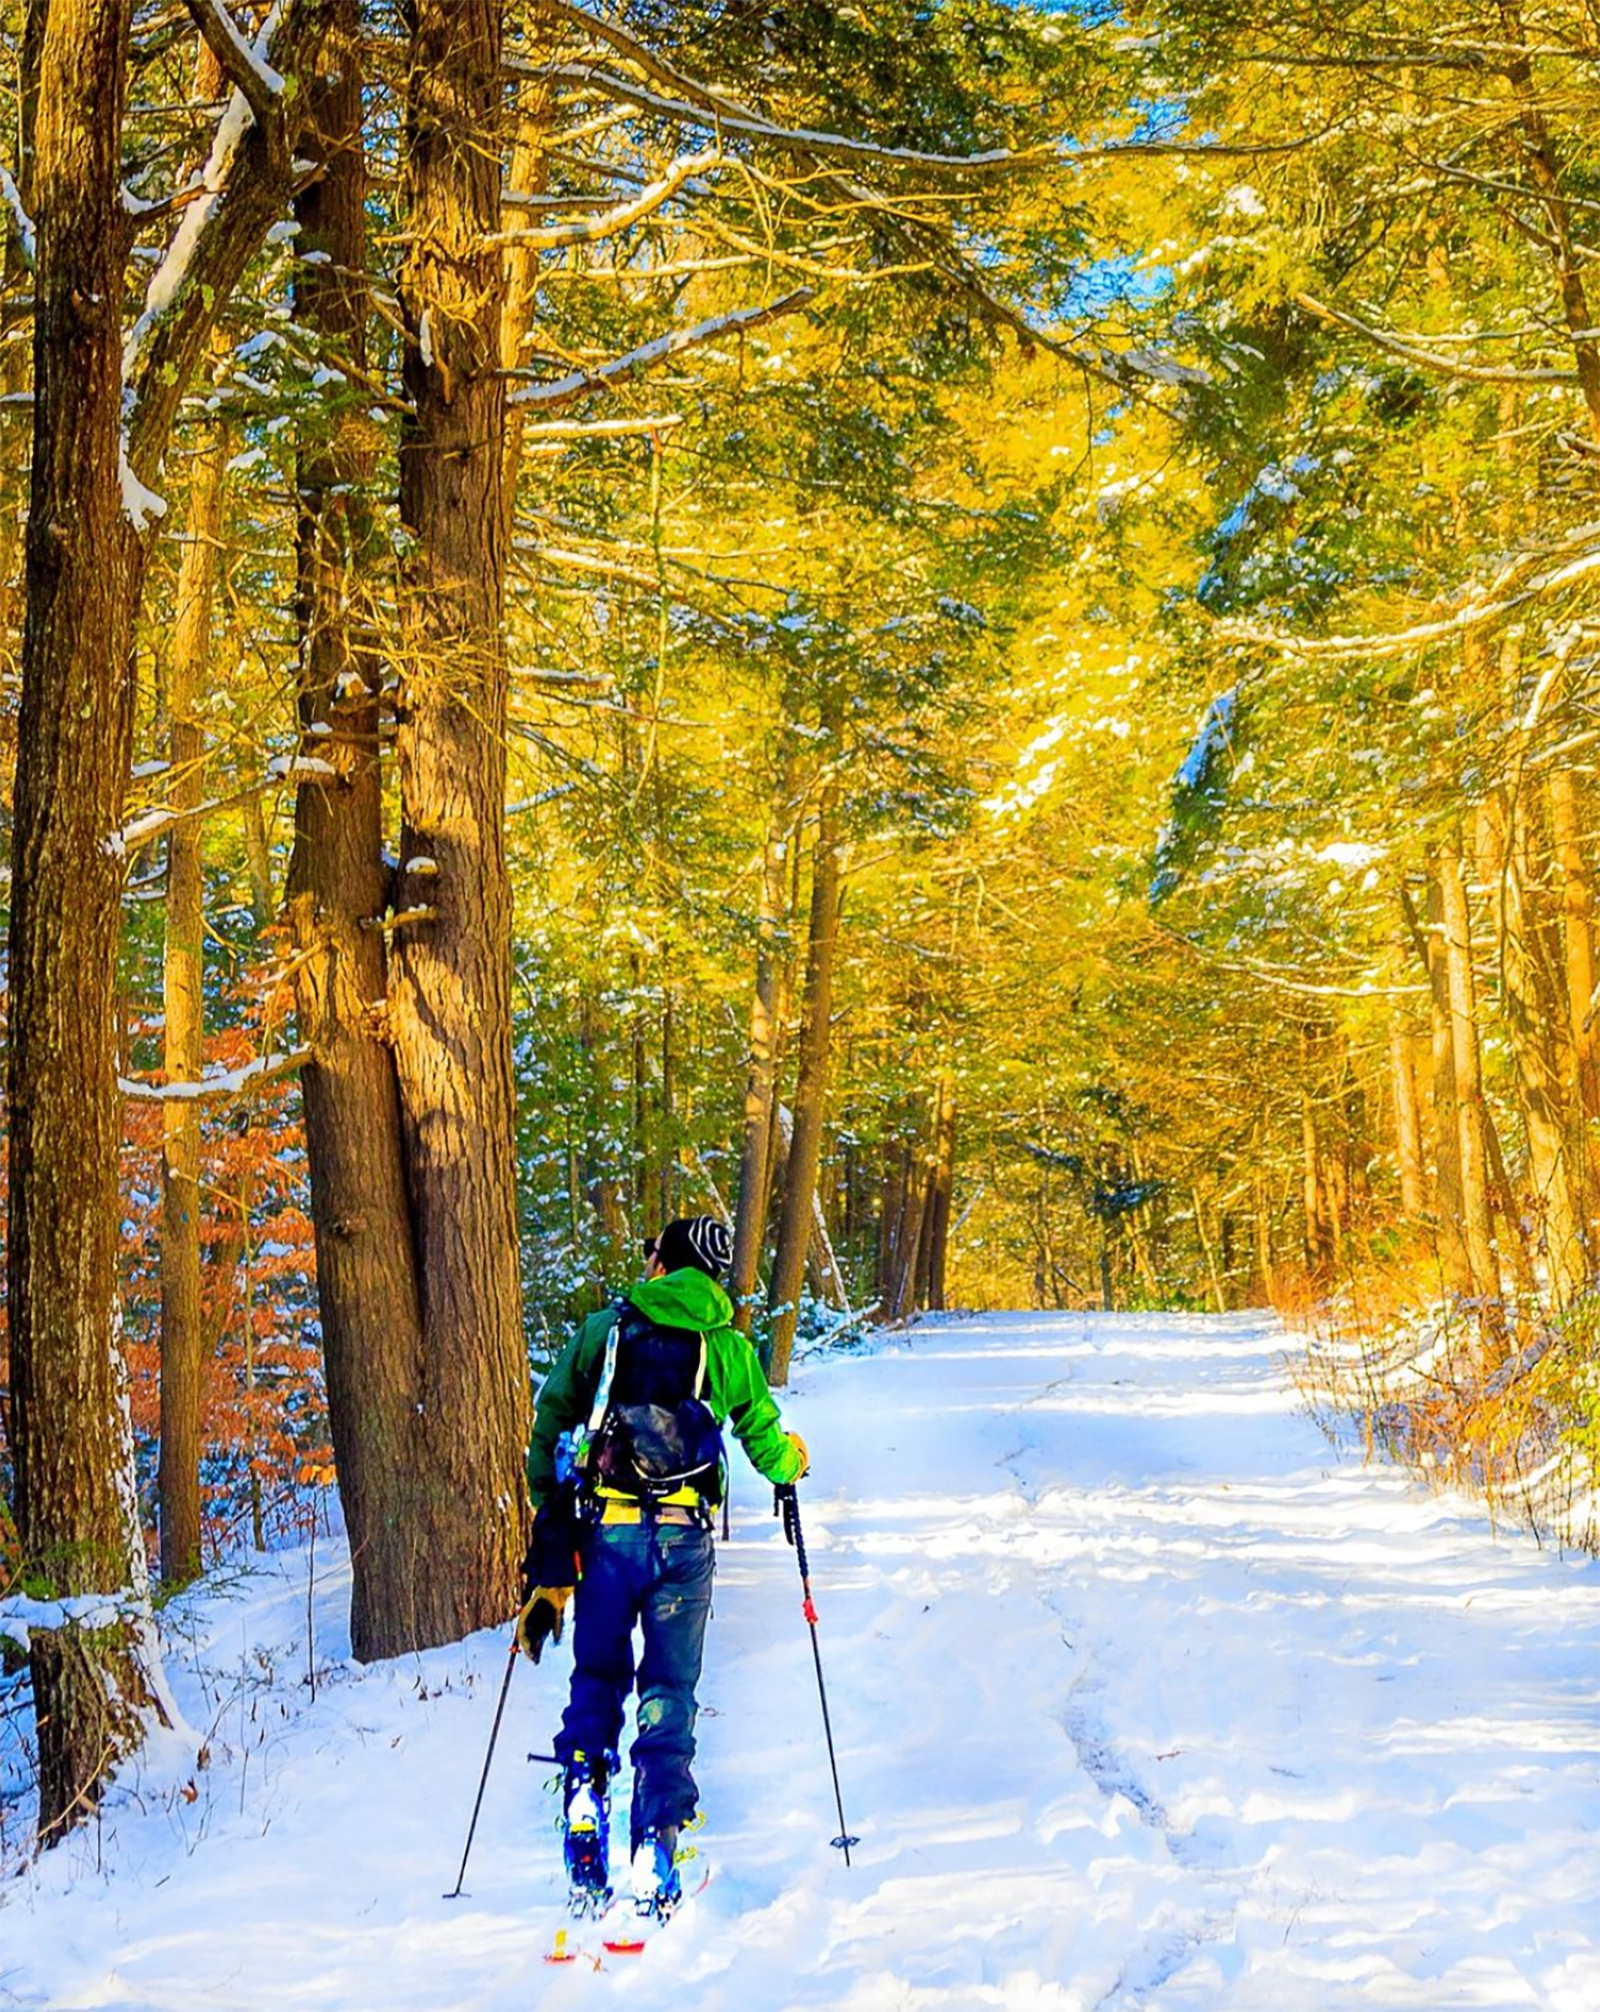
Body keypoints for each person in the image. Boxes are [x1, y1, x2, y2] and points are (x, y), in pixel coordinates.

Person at [518, 1213, 809, 1919]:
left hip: (608, 1538)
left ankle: (584, 1805)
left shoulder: (607, 1331)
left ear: (664, 1261)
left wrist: (547, 1506)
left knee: (597, 1676)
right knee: (669, 1687)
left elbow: (551, 1416)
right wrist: (792, 1461)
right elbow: (763, 1438)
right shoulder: (727, 1345)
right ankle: (657, 1841)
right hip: (684, 1541)